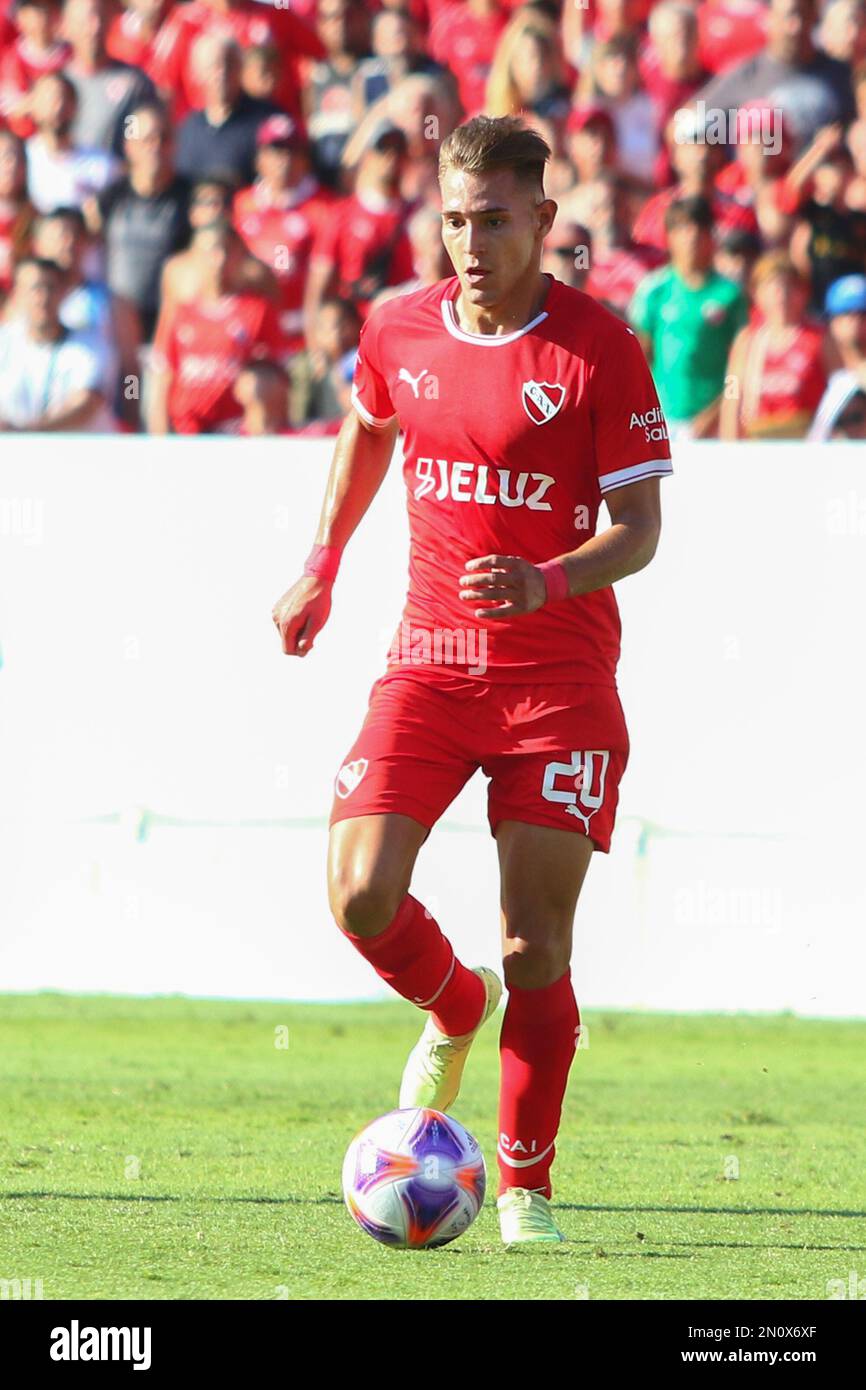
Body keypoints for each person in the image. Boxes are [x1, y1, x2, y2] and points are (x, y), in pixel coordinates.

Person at [271, 115, 672, 1247]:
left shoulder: (599, 348)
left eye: (492, 219)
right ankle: (451, 1005)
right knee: (356, 892)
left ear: (542, 221)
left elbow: (638, 528)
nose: (469, 242)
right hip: (430, 663)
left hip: (556, 681)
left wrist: (547, 582)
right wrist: (320, 563)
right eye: (452, 219)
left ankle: (525, 1186)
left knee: (534, 944)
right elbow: (365, 433)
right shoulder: (398, 327)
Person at [147, 218, 283, 433]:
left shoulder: (258, 310)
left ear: (240, 255)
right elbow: (162, 377)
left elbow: (276, 377)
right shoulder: (179, 313)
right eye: (210, 252)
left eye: (227, 251)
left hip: (238, 433)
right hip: (187, 433)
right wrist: (159, 439)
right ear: (194, 257)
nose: (219, 261)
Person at [629, 195, 748, 438]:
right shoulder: (654, 290)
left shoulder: (730, 294)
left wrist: (716, 415)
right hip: (660, 418)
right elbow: (639, 359)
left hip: (711, 423)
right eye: (683, 228)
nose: (692, 236)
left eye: (700, 228)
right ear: (669, 237)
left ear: (711, 236)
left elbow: (740, 366)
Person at [233, 114, 336, 357]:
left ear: (305, 159)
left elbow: (326, 278)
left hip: (302, 333)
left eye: (292, 151)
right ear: (260, 159)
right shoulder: (243, 205)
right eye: (276, 150)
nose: (285, 159)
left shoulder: (324, 208)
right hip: (253, 331)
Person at [720, 252, 827, 438]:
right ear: (756, 293)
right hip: (759, 438)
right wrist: (730, 441)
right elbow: (731, 392)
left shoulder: (820, 339)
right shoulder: (747, 341)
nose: (781, 294)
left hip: (806, 439)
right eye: (772, 286)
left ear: (803, 292)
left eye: (789, 286)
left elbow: (838, 390)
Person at [0, 255, 112, 429]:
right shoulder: (5, 342)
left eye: (50, 288)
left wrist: (26, 433)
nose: (42, 298)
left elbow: (86, 405)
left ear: (64, 292)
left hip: (80, 451)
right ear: (17, 294)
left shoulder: (92, 344)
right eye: (34, 289)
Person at [173, 34, 281, 187]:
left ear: (241, 69)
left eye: (229, 64)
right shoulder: (187, 130)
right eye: (214, 66)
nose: (222, 73)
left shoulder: (269, 122)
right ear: (197, 74)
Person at [62, 0, 156, 155]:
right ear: (66, 26)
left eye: (99, 17)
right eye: (85, 21)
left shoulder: (133, 84)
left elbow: (137, 136)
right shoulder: (58, 86)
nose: (94, 28)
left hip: (117, 176)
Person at [25, 70, 120, 217]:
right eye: (48, 99)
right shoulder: (22, 160)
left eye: (63, 98)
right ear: (33, 105)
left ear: (75, 107)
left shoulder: (101, 165)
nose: (57, 107)